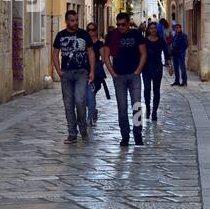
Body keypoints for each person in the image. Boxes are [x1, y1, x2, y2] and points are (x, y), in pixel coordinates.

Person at [103, 12, 147, 147]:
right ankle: (125, 136)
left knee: (137, 105)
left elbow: (143, 53)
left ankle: (138, 134)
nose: (120, 27)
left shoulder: (136, 34)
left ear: (129, 23)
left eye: (123, 24)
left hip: (134, 76)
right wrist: (113, 74)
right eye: (118, 24)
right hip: (119, 76)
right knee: (122, 108)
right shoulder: (111, 35)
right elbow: (105, 56)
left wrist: (138, 71)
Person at [51, 10, 95, 143]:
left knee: (80, 101)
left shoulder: (84, 34)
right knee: (68, 104)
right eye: (72, 21)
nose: (75, 23)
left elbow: (91, 53)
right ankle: (72, 134)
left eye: (76, 20)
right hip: (67, 73)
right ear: (67, 21)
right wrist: (59, 71)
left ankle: (83, 129)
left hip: (81, 72)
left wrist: (92, 71)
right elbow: (54, 54)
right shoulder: (60, 35)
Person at [142, 22, 168, 121]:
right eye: (151, 28)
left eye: (155, 28)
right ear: (148, 30)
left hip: (157, 68)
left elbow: (166, 53)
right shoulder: (144, 41)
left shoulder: (161, 40)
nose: (153, 30)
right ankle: (148, 107)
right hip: (146, 68)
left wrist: (170, 66)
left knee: (156, 91)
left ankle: (154, 112)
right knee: (147, 89)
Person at [85, 21, 106, 127]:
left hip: (96, 74)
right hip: (85, 71)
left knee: (91, 94)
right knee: (86, 96)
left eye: (92, 30)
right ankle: (92, 112)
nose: (90, 32)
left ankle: (90, 116)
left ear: (96, 31)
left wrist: (97, 65)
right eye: (88, 30)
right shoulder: (84, 43)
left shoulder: (99, 44)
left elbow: (104, 58)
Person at [170, 22, 190, 86]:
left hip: (180, 54)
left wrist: (181, 51)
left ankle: (184, 81)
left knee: (182, 68)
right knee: (176, 68)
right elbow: (173, 44)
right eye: (175, 28)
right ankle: (177, 81)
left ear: (180, 28)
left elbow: (186, 44)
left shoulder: (184, 35)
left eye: (177, 28)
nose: (176, 29)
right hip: (175, 53)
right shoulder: (175, 35)